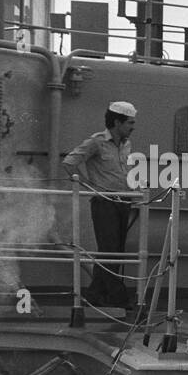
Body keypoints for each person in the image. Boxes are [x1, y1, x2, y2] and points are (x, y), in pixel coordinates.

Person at [63, 100, 138, 308]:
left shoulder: (126, 144)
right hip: (105, 202)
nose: (133, 127)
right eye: (130, 123)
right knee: (109, 250)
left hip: (124, 201)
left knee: (115, 250)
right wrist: (86, 184)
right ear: (117, 122)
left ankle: (94, 295)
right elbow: (69, 162)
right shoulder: (96, 142)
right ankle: (119, 298)